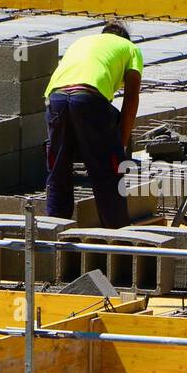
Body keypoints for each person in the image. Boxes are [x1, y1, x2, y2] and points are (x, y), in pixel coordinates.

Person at [43, 20, 143, 227]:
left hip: (56, 99)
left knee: (58, 169)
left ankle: (53, 229)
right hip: (89, 97)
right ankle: (118, 236)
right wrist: (120, 148)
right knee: (107, 171)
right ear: (123, 39)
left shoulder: (81, 41)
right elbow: (131, 100)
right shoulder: (131, 49)